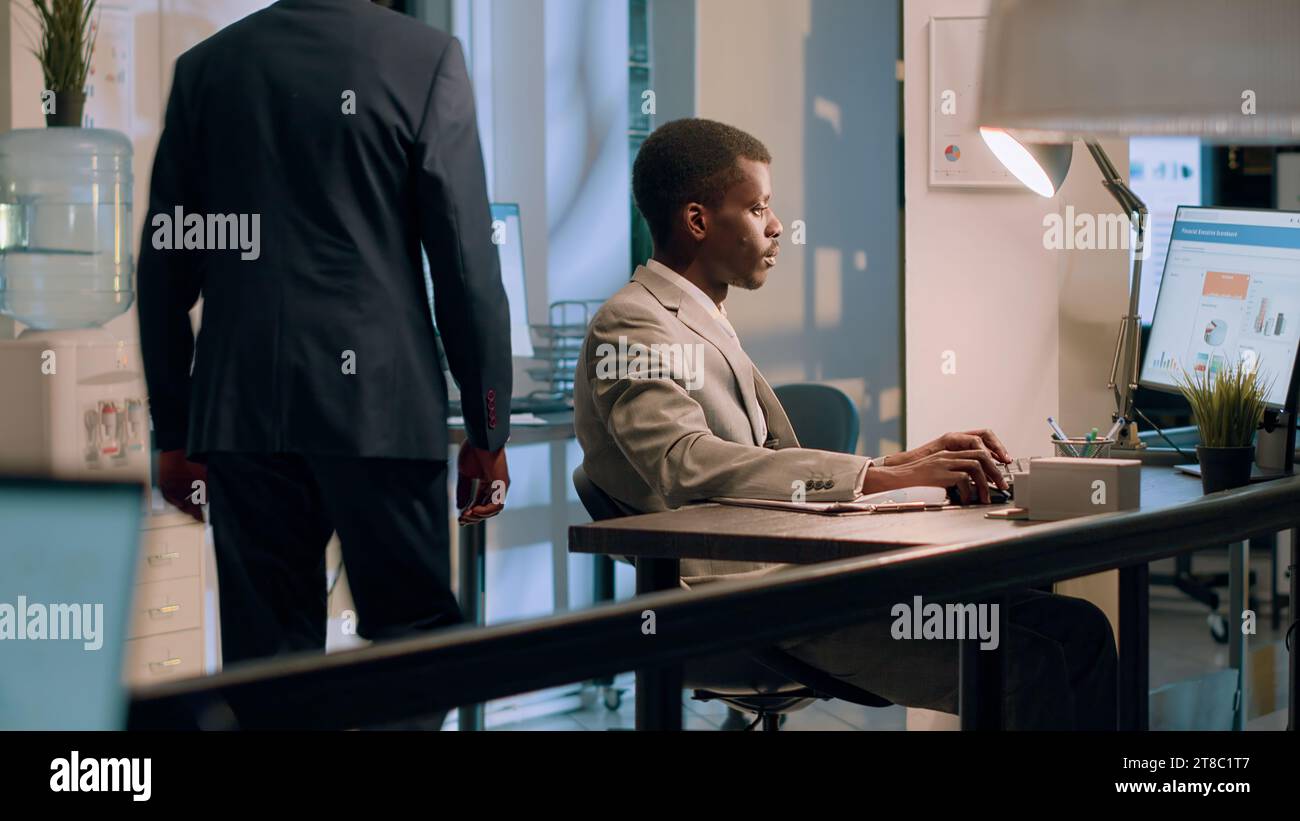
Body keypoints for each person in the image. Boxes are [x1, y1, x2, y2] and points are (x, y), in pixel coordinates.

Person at [573, 117, 1116, 729]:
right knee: (1027, 661)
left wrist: (903, 464)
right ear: (698, 221)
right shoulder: (633, 323)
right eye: (758, 208)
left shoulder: (701, 315)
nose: (777, 226)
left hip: (798, 574)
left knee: (1079, 629)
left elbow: (745, 471)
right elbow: (684, 461)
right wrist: (876, 476)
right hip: (742, 601)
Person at [137, 0, 511, 723]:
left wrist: (174, 430)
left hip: (244, 411)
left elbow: (163, 270)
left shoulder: (207, 69)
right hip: (381, 408)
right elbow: (464, 263)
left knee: (269, 658)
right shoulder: (425, 59)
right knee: (414, 640)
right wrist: (486, 423)